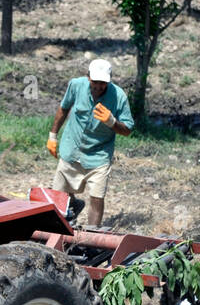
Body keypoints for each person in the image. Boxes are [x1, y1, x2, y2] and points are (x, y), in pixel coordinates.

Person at [46, 58, 134, 228]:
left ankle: (93, 233)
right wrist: (52, 135)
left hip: (98, 155)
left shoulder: (119, 97)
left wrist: (112, 122)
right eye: (95, 82)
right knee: (60, 193)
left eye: (103, 83)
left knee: (97, 196)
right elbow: (64, 108)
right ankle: (66, 222)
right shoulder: (76, 85)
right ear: (88, 77)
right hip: (72, 147)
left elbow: (128, 130)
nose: (99, 86)